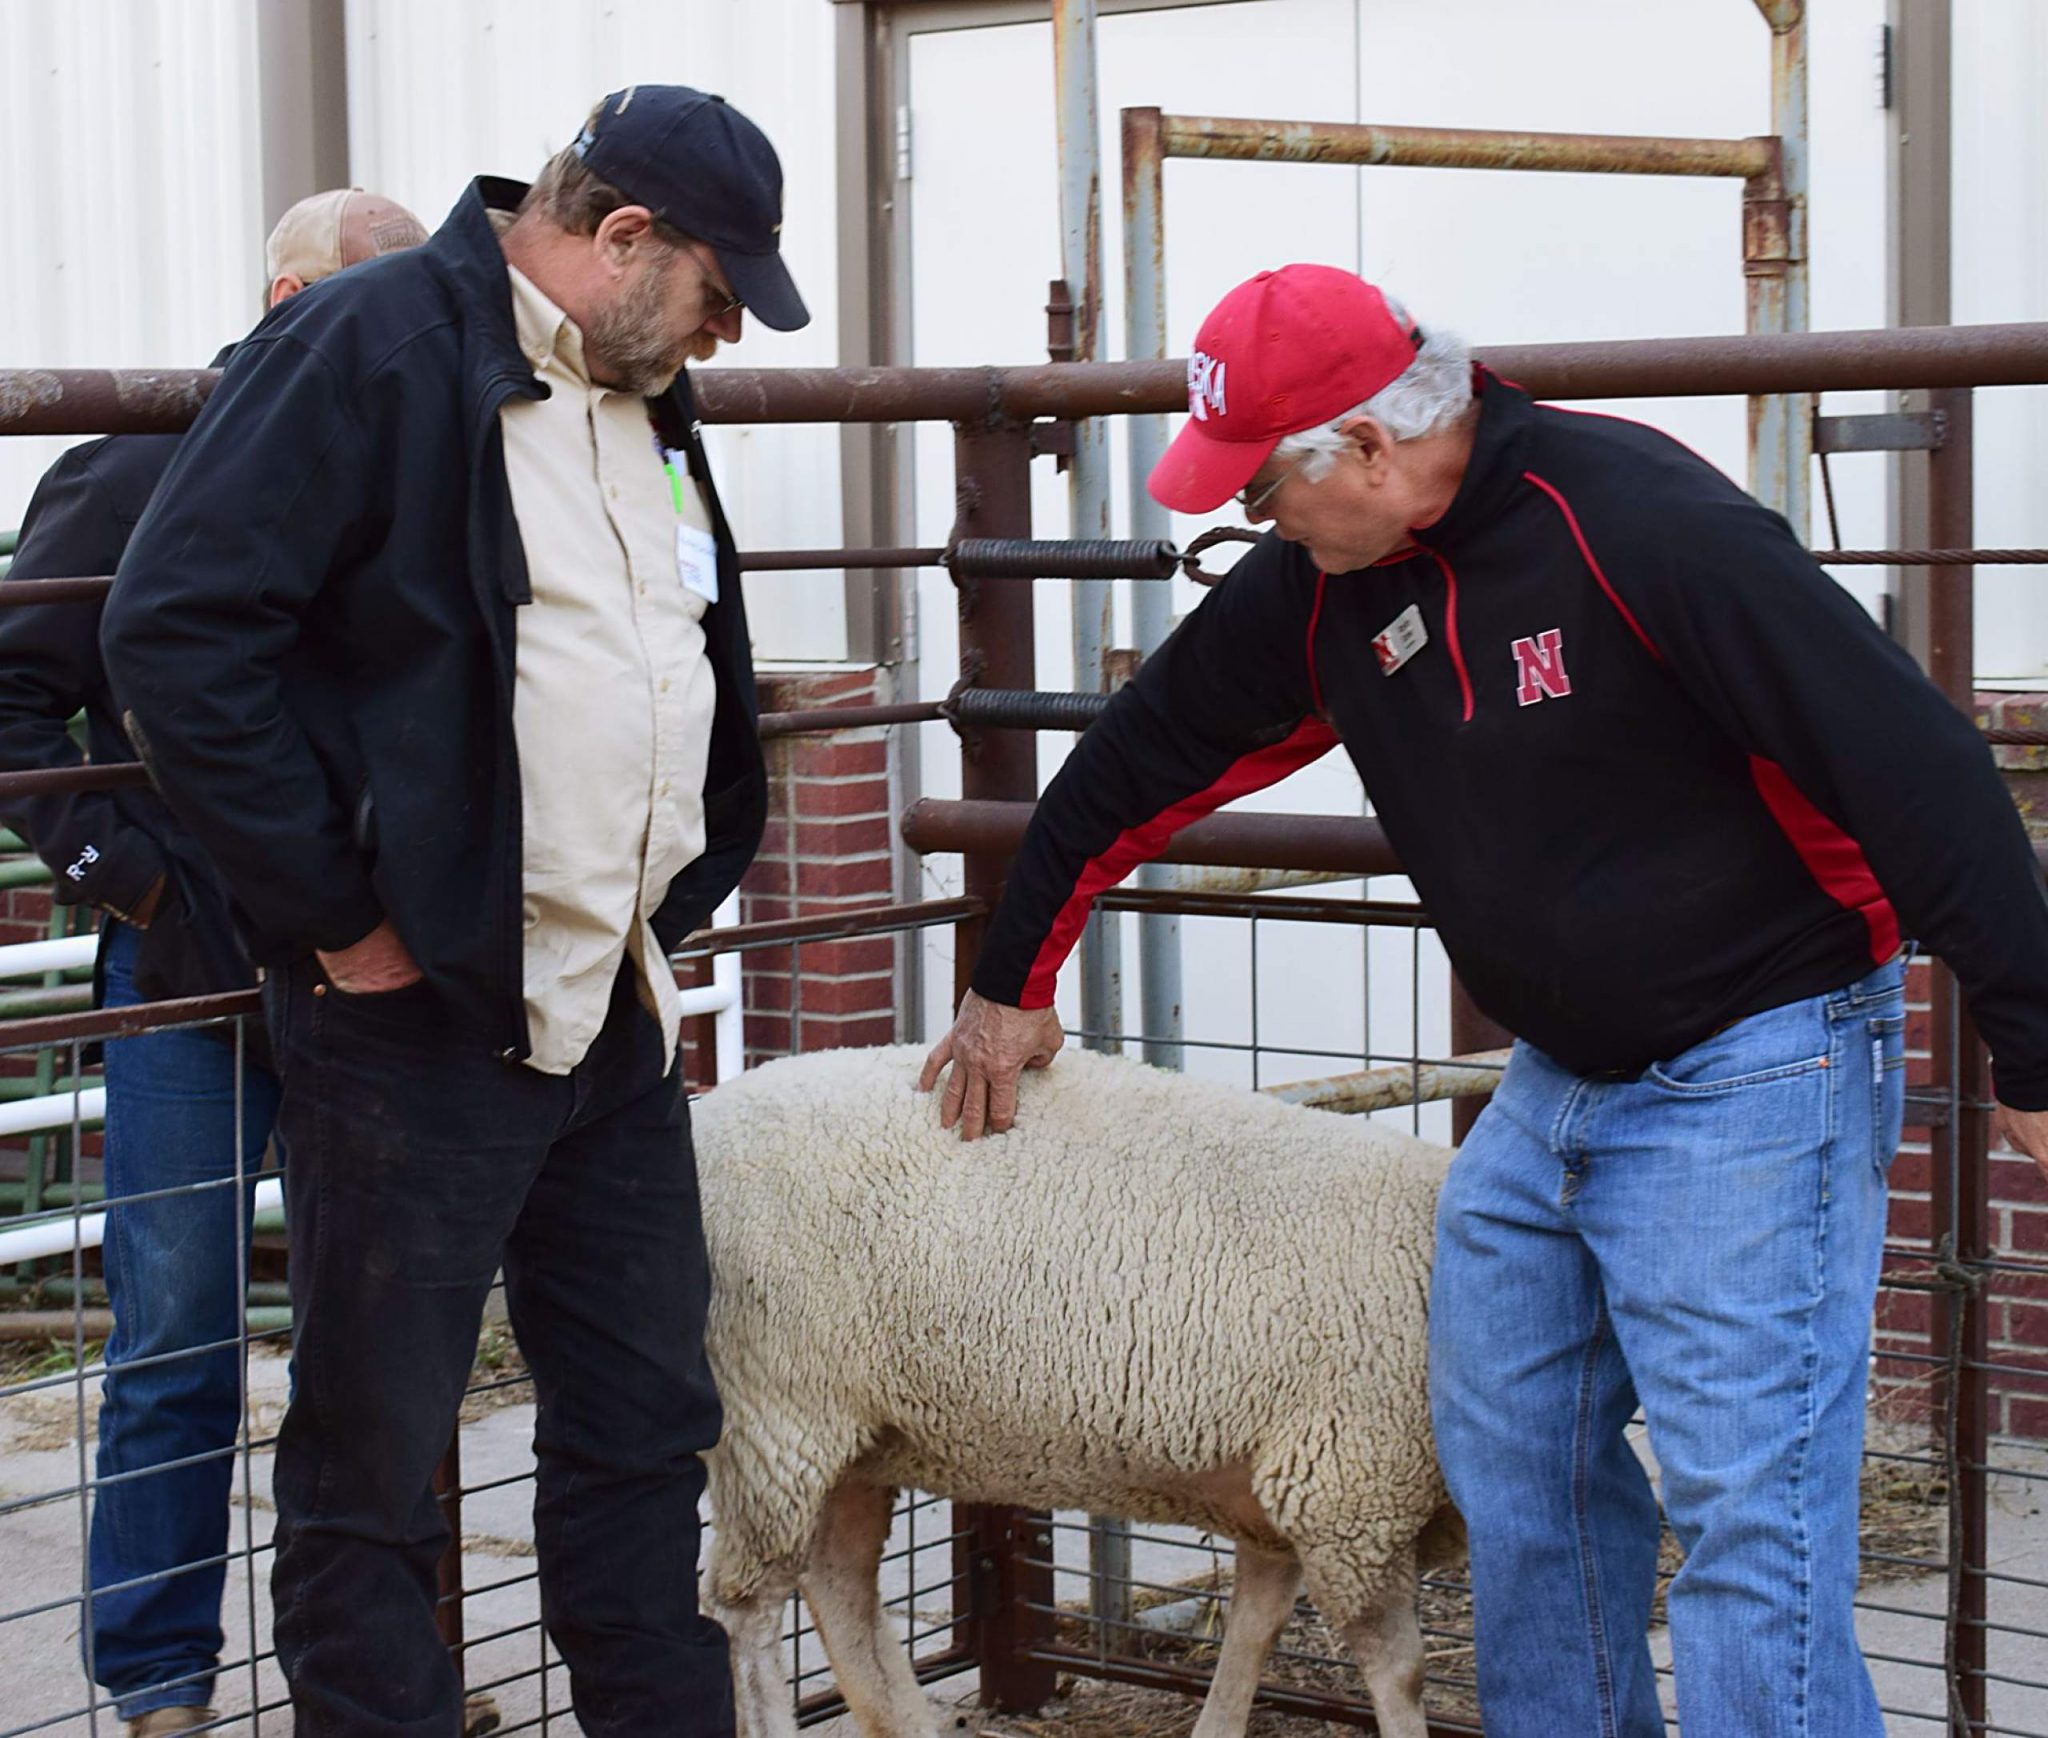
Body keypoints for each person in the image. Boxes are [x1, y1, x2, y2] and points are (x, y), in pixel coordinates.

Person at [920, 263, 2048, 1735]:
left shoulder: (1646, 527)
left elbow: (1921, 770)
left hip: (1757, 1059)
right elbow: (1145, 754)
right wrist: (1010, 981)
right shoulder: (1328, 579)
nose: (1258, 524)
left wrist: (2031, 1044)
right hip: (1556, 1080)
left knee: (1748, 1512)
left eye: (1261, 491)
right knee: (1516, 1469)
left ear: (1367, 446)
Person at [101, 86, 802, 1738]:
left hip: (611, 993)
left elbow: (672, 628)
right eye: (717, 293)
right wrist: (337, 916)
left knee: (646, 1418)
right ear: (623, 236)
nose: (721, 333)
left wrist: (678, 880)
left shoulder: (642, 385)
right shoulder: (374, 343)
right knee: (372, 1448)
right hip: (416, 1008)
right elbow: (175, 629)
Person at [0, 186, 426, 1738]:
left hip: (376, 975)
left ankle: (372, 1680)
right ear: (291, 296)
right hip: (188, 974)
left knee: (378, 1334)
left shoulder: (416, 467)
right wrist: (126, 880)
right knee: (179, 1334)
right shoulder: (134, 464)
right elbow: (10, 695)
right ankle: (160, 1683)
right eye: (377, 301)